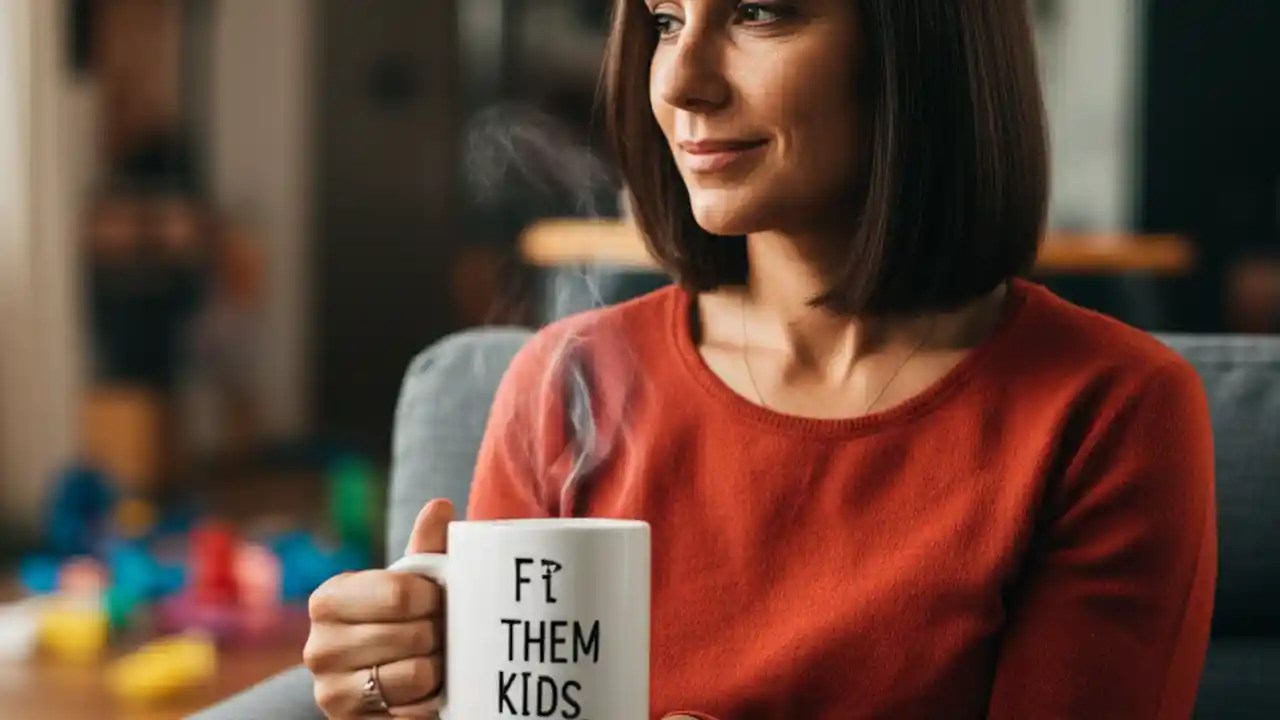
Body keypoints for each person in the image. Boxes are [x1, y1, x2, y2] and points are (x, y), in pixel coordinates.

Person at [304, 1, 1217, 718]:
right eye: (665, 21)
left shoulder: (1110, 410)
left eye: (758, 12)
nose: (683, 84)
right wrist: (408, 696)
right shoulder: (564, 380)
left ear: (919, 48)